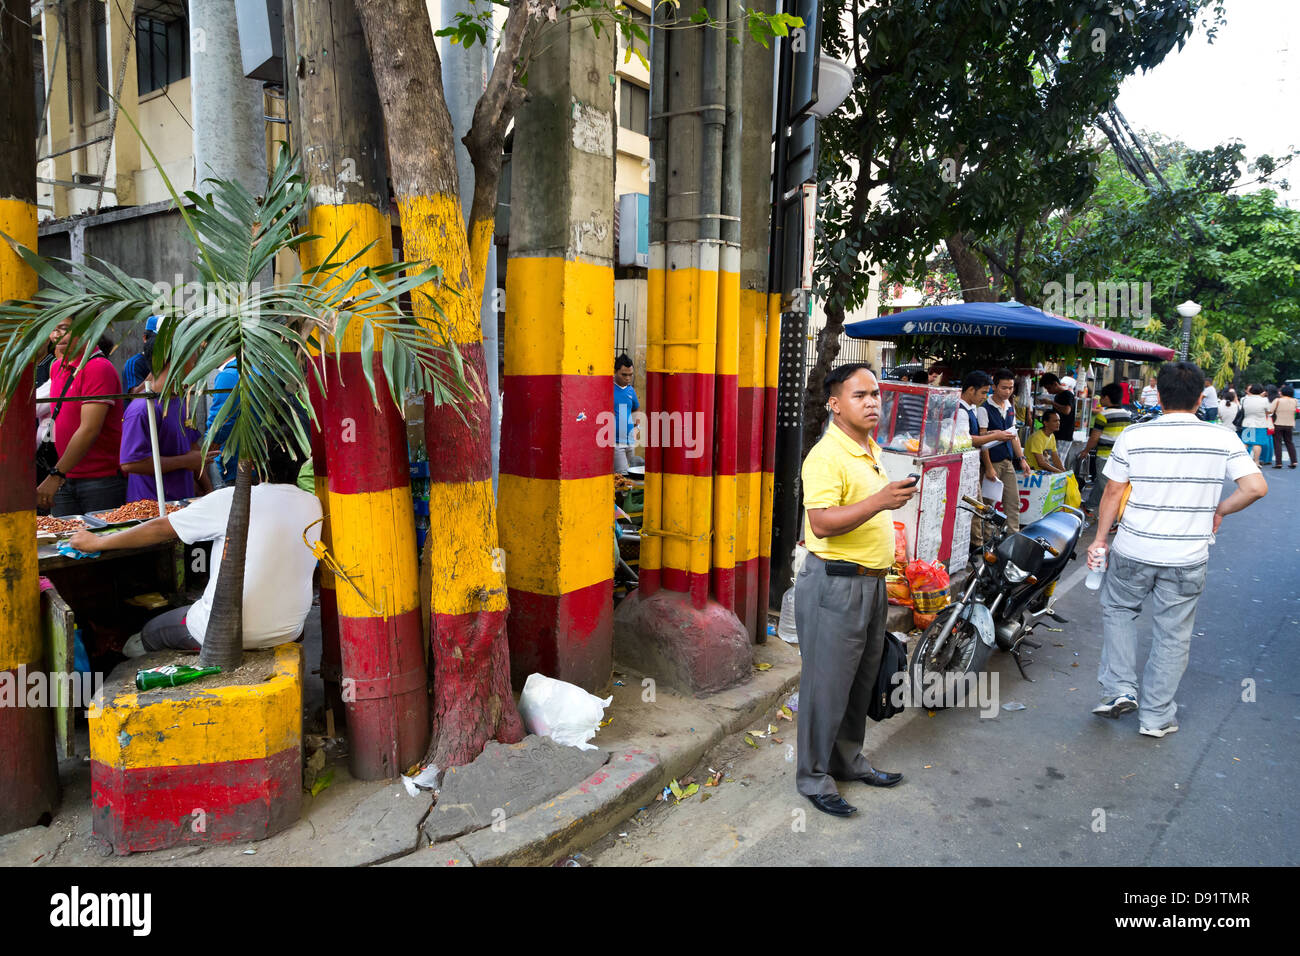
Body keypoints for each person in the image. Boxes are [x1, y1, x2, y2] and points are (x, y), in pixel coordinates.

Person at [1087, 361, 1266, 737]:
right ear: (1201, 397)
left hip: (1133, 549)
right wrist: (1220, 509)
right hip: (1187, 556)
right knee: (1173, 634)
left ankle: (1119, 689)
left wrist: (1100, 540)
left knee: (1119, 611)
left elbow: (1113, 492)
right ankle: (1155, 718)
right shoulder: (1222, 438)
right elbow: (1255, 488)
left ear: (1157, 393)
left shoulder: (1134, 435)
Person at [794, 363, 917, 817]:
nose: (871, 402)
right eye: (859, 395)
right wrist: (881, 500)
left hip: (871, 585)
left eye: (876, 395)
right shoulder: (826, 456)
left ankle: (846, 760)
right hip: (835, 587)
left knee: (859, 683)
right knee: (825, 688)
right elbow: (821, 524)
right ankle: (813, 776)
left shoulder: (869, 449)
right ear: (834, 403)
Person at [70, 442, 323, 652]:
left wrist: (98, 542)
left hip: (225, 634)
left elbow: (158, 529)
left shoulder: (233, 498)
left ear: (253, 463)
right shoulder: (314, 504)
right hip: (289, 630)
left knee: (149, 633)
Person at [39, 319, 126, 516]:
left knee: (102, 542)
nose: (56, 335)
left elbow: (89, 429)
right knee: (65, 544)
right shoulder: (56, 367)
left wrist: (56, 474)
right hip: (64, 476)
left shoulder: (98, 368)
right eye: (52, 329)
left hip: (100, 480)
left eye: (63, 328)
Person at [119, 342, 211, 502]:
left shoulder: (181, 402)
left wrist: (208, 489)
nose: (196, 365)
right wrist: (185, 461)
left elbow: (192, 449)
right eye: (192, 359)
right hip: (152, 507)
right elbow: (130, 463)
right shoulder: (142, 408)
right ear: (172, 362)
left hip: (182, 502)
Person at [977, 369, 1031, 533]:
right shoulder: (984, 408)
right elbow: (982, 440)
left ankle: (1013, 536)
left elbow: (1013, 436)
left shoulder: (1010, 407)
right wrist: (988, 467)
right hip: (991, 462)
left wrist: (1022, 458)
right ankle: (985, 538)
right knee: (988, 504)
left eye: (1011, 388)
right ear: (994, 386)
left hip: (1007, 462)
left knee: (1013, 501)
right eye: (1004, 388)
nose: (1008, 391)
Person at [1082, 382, 1133, 515]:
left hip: (1105, 456)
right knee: (1101, 482)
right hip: (1121, 457)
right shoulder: (1126, 414)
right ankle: (1089, 506)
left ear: (1107, 398)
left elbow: (1094, 438)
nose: (1101, 401)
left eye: (1102, 398)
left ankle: (1116, 518)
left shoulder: (1103, 415)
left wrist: (1085, 451)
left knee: (1108, 489)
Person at [206, 355, 241, 488]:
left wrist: (206, 450)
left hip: (235, 465)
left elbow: (221, 421)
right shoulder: (257, 368)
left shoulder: (229, 376)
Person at [613, 353, 642, 475]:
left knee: (634, 474)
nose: (628, 378)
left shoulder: (631, 390)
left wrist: (637, 427)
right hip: (615, 443)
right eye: (624, 375)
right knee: (623, 476)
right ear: (615, 371)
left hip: (630, 441)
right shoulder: (607, 388)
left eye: (630, 375)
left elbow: (636, 409)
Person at [121, 316, 159, 394]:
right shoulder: (134, 363)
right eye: (159, 339)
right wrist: (156, 371)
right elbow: (134, 395)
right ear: (145, 338)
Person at [1239, 384, 1272, 464]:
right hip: (1260, 424)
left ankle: (1242, 461)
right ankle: (1256, 462)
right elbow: (1269, 411)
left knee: (1246, 443)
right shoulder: (1264, 400)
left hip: (1247, 423)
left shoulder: (1245, 400)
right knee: (1257, 443)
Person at [1269, 385, 1297, 469]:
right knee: (1289, 442)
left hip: (1278, 424)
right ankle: (1294, 461)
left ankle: (1279, 463)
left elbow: (1270, 411)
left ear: (1283, 392)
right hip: (1290, 424)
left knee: (1278, 443)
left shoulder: (1277, 400)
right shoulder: (1295, 401)